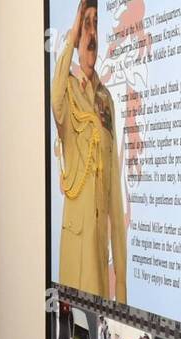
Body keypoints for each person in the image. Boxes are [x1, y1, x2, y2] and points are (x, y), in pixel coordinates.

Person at [51, 0, 126, 301]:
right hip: (75, 242)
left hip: (98, 246)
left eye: (96, 23)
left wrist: (120, 282)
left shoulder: (106, 100)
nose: (91, 33)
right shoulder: (67, 90)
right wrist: (72, 31)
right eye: (86, 24)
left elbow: (114, 195)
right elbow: (54, 97)